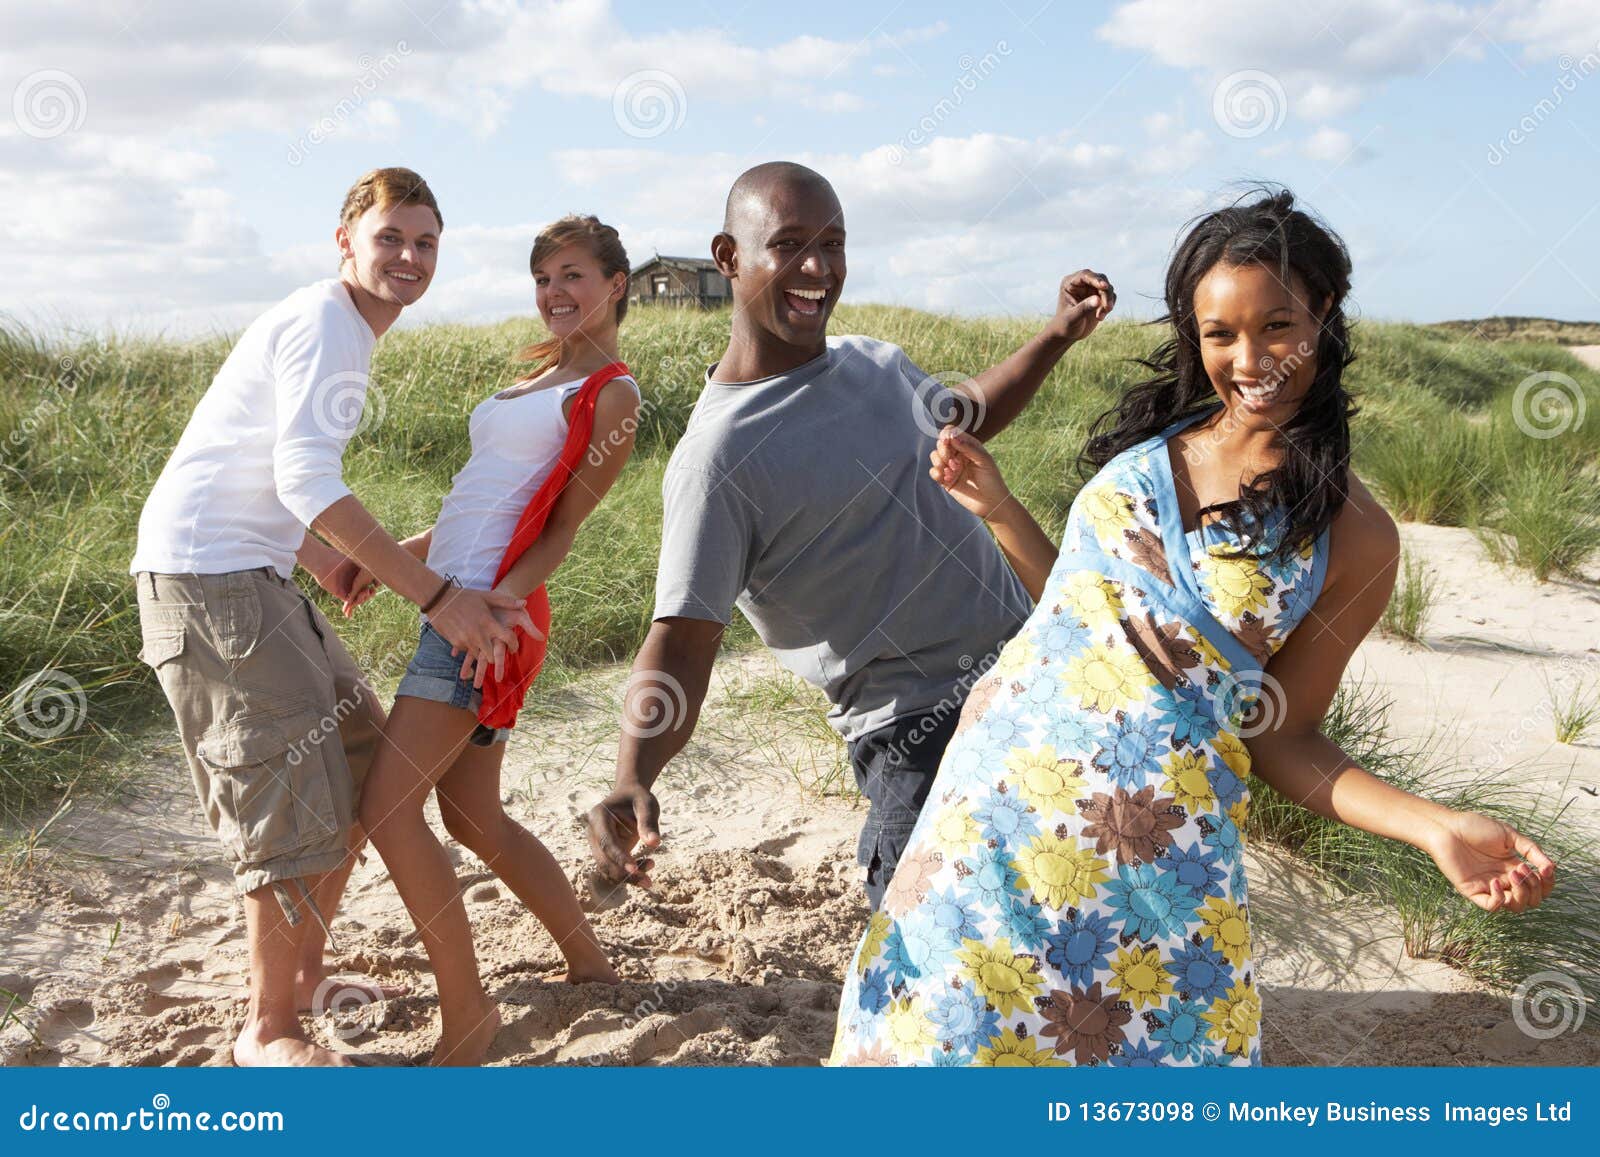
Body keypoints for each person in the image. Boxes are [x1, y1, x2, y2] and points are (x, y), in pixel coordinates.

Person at [826, 188, 1558, 1067]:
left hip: (1148, 861)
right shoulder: (1163, 441)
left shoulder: (1355, 533)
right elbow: (1082, 608)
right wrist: (999, 508)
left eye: (1277, 325)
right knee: (933, 1050)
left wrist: (1432, 824)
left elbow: (1282, 735)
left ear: (1324, 311)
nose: (1251, 359)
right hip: (990, 815)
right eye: (1220, 334)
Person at [584, 161, 1116, 911]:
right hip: (919, 732)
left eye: (833, 243)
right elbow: (681, 638)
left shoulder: (873, 361)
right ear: (729, 257)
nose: (818, 267)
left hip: (1031, 676)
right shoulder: (718, 456)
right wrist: (633, 773)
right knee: (926, 958)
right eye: (789, 243)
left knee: (1078, 909)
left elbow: (963, 417)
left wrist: (1058, 333)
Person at [130, 167, 533, 1067]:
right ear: (345, 241)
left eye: (426, 242)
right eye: (390, 237)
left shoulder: (338, 327)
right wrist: (437, 597)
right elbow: (305, 477)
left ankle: (307, 974)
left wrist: (320, 557)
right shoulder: (327, 322)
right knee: (281, 796)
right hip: (211, 583)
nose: (409, 256)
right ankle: (269, 1027)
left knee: (360, 766)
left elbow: (263, 465)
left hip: (254, 573)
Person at [353, 215, 637, 1066]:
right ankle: (591, 963)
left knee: (386, 808)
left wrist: (493, 611)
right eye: (544, 277)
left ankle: (469, 1018)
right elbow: (477, 503)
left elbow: (558, 533)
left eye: (573, 275)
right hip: (452, 599)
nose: (555, 293)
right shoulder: (538, 375)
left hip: (486, 619)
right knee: (473, 818)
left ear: (617, 283)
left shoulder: (610, 393)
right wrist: (397, 559)